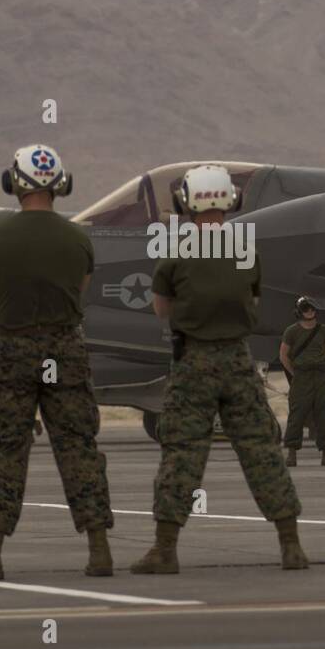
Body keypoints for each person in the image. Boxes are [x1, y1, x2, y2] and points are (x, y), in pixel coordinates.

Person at [131, 164, 307, 574]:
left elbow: (162, 310)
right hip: (238, 360)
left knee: (183, 454)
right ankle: (291, 545)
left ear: (185, 202)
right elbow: (255, 302)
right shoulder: (246, 251)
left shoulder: (175, 252)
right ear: (230, 201)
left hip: (194, 361)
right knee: (261, 451)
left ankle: (165, 549)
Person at [0, 144, 113, 581]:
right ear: (61, 184)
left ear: (13, 183)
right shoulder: (78, 237)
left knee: (3, 449)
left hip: (12, 349)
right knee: (78, 445)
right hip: (65, 349)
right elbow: (80, 287)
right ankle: (99, 550)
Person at [281, 297, 325, 467]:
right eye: (305, 308)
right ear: (299, 311)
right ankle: (292, 454)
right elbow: (284, 356)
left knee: (324, 413)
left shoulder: (324, 330)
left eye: (312, 307)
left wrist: (321, 368)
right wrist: (296, 373)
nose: (309, 310)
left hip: (321, 376)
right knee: (297, 414)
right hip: (302, 377)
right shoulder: (291, 331)